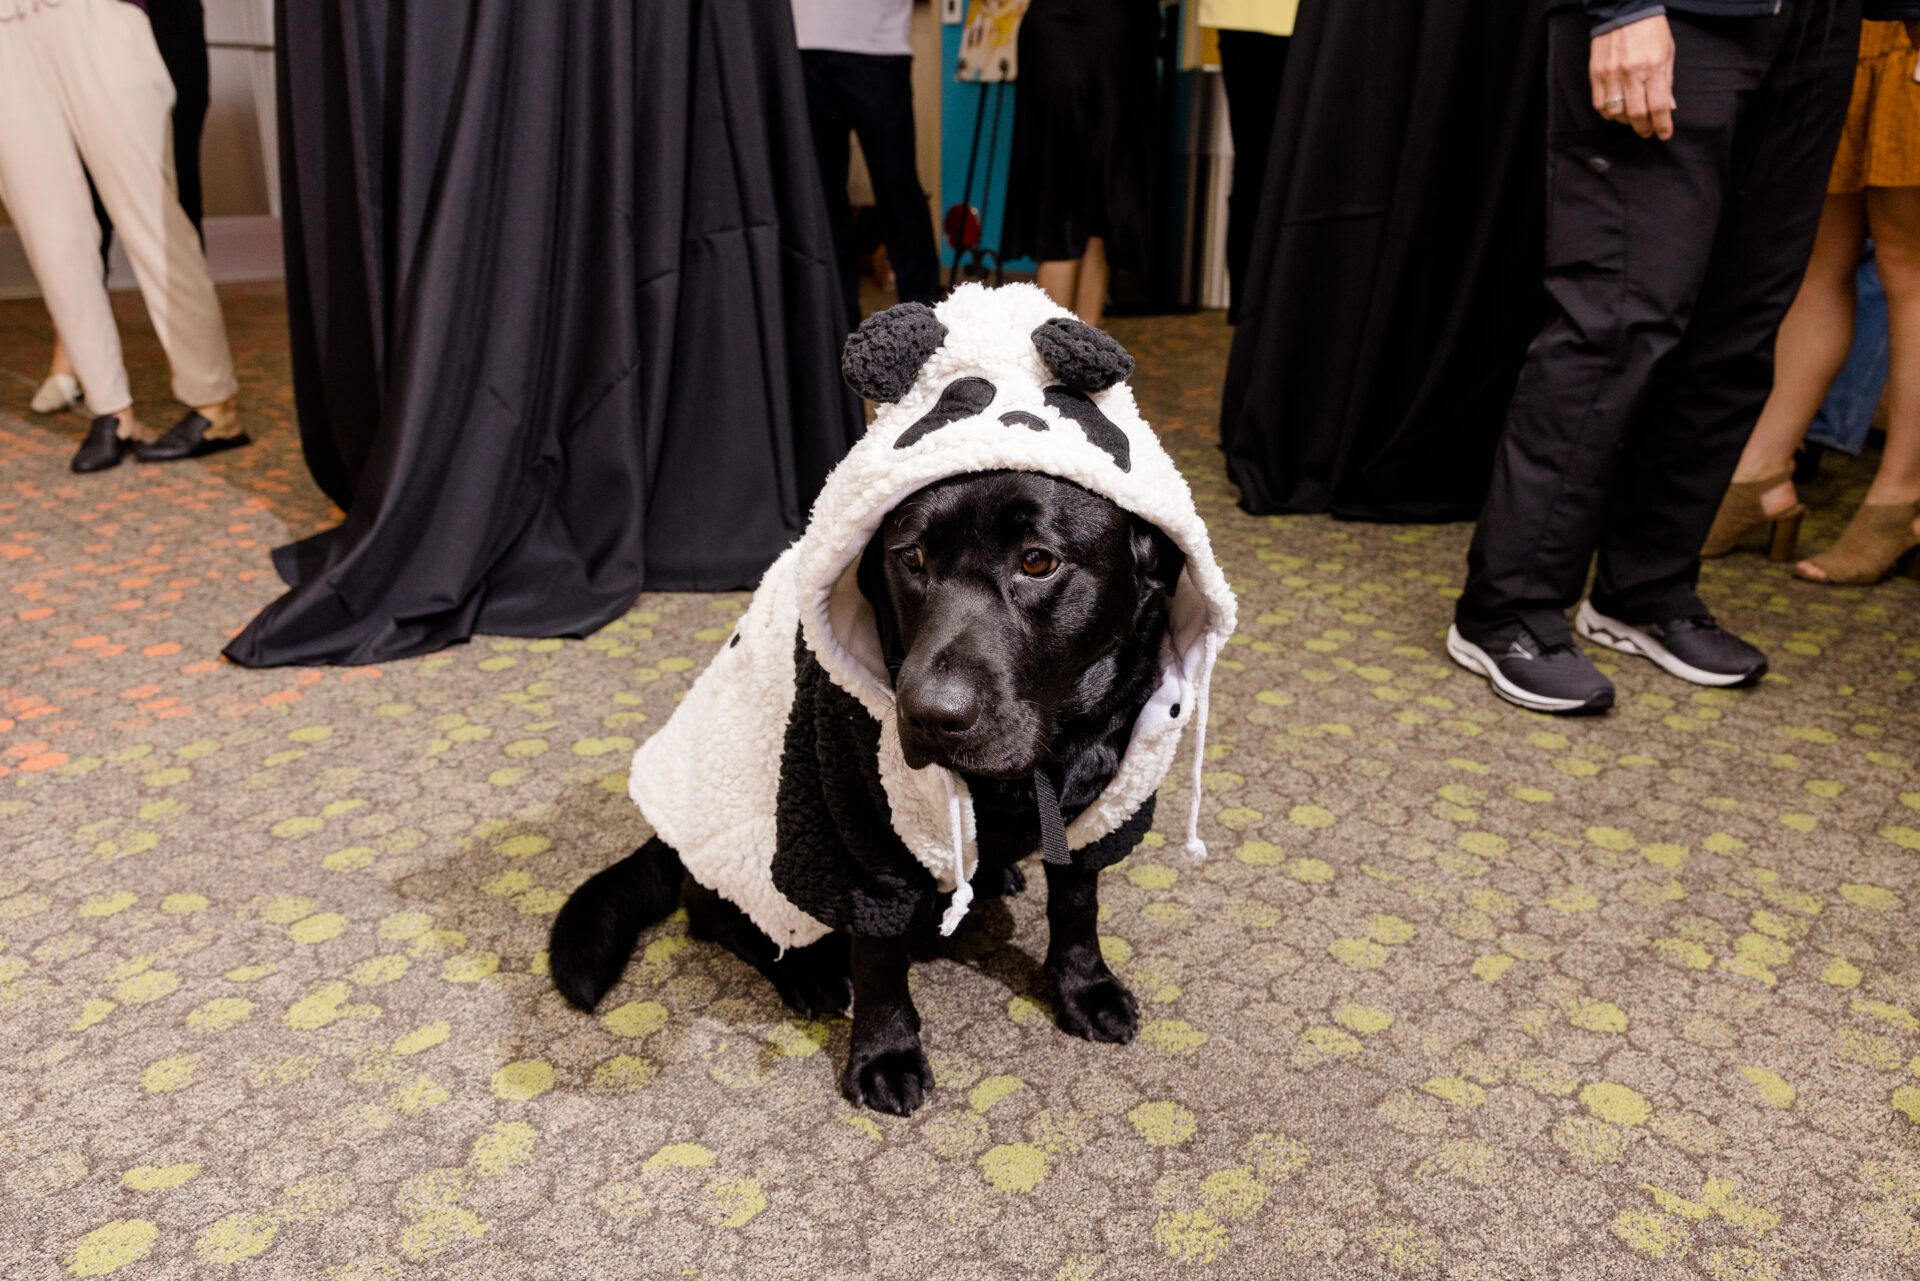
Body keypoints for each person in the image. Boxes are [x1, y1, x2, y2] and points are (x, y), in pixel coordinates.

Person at [1448, 0, 1920, 716]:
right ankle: (1507, 607)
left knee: (1740, 325)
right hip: (1679, 15)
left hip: (1821, 28)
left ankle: (1646, 587)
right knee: (1618, 317)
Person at [1707, 20, 1920, 584]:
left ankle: (1901, 496)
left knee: (1908, 261)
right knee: (1815, 252)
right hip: (1848, 30)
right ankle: (1761, 471)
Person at [0, 0, 241, 473]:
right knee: (50, 233)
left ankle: (217, 406)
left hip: (95, 11)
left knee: (152, 216)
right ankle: (110, 410)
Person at [31, 0, 211, 419]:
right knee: (73, 191)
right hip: (60, 17)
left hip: (157, 15)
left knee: (170, 192)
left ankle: (195, 365)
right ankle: (71, 353)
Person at [1002, 0, 1159, 326]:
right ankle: (1051, 352)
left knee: (1105, 188)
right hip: (1057, 18)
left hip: (1122, 24)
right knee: (1059, 184)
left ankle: (1086, 355)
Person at [791, 0, 939, 328]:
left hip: (878, 47)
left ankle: (928, 325)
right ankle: (833, 330)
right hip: (801, 44)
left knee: (899, 192)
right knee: (821, 202)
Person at [1201, 0, 1296, 325]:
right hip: (1253, 18)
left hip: (1319, 19)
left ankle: (1255, 309)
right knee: (1259, 169)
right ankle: (1251, 310)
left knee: (1261, 169)